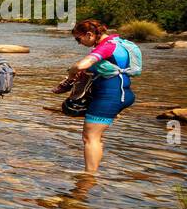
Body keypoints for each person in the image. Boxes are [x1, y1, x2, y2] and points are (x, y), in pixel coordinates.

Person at [52, 19, 137, 174]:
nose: (79, 43)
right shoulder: (118, 42)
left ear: (89, 34)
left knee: (89, 137)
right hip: (120, 92)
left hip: (110, 95)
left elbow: (80, 65)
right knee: (95, 136)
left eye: (79, 39)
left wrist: (71, 74)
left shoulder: (106, 46)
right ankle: (94, 171)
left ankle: (89, 177)